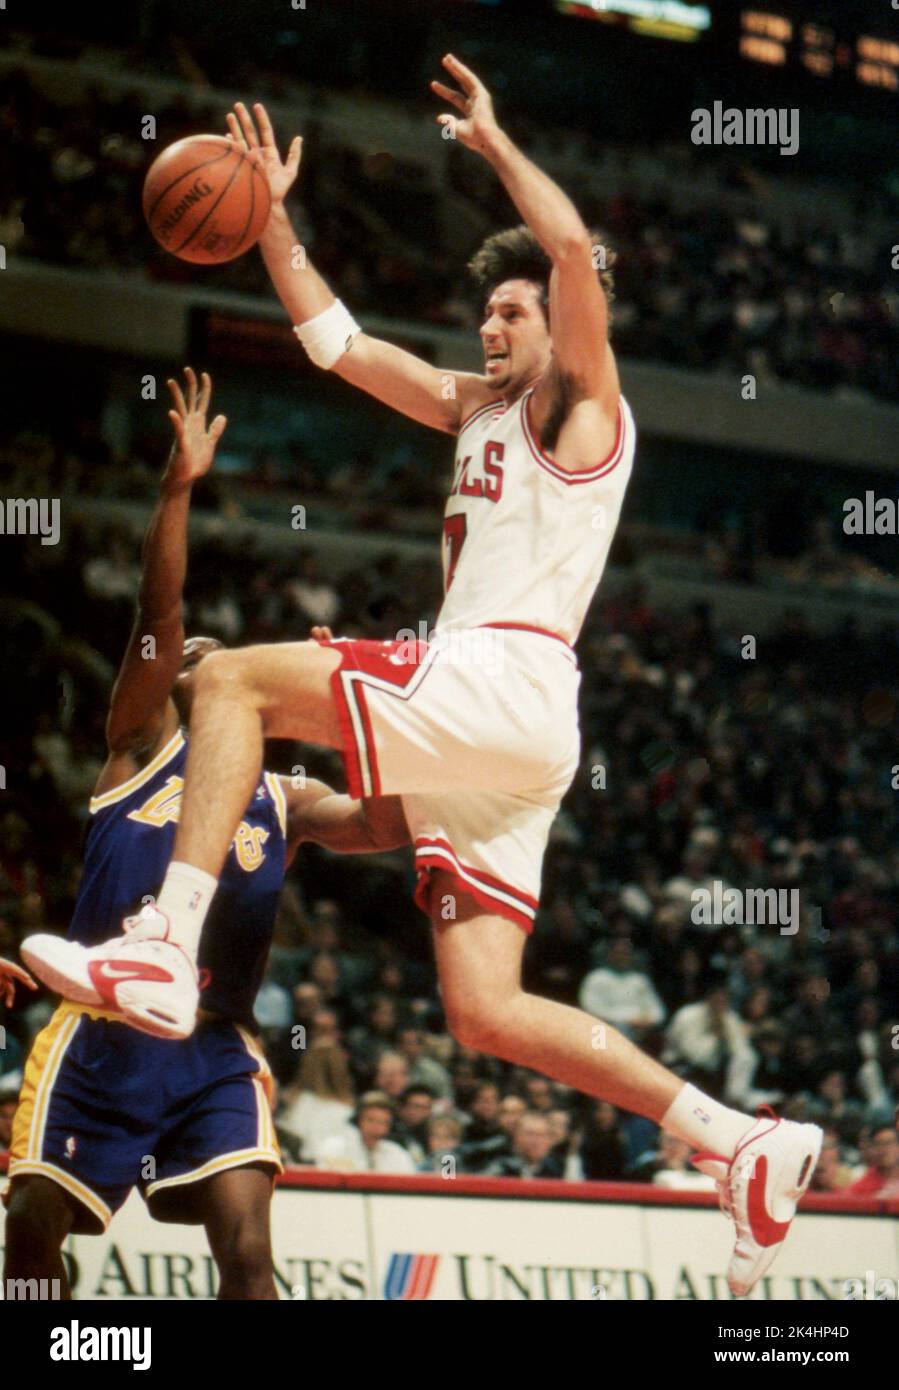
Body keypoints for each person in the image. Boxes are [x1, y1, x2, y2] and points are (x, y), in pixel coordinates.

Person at [24, 59, 821, 1297]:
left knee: (227, 680)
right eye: (488, 318)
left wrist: (497, 141)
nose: (492, 330)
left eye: (511, 314)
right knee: (483, 1012)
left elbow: (568, 251)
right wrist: (274, 219)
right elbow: (334, 344)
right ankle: (738, 1139)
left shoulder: (583, 411)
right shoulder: (472, 409)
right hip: (508, 733)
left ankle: (163, 947)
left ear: (555, 321)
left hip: (501, 674)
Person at [4, 372, 408, 1300]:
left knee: (251, 1259)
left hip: (213, 1045)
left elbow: (385, 823)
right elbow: (158, 618)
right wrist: (177, 488)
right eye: (191, 657)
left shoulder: (284, 794)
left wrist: (352, 710)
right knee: (30, 1239)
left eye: (216, 654)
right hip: (100, 1034)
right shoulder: (137, 747)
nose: (200, 654)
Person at [316, 1092, 417, 1175]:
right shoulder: (334, 1148)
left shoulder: (398, 1154)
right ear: (358, 1120)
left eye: (383, 1122)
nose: (377, 1128)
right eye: (371, 1120)